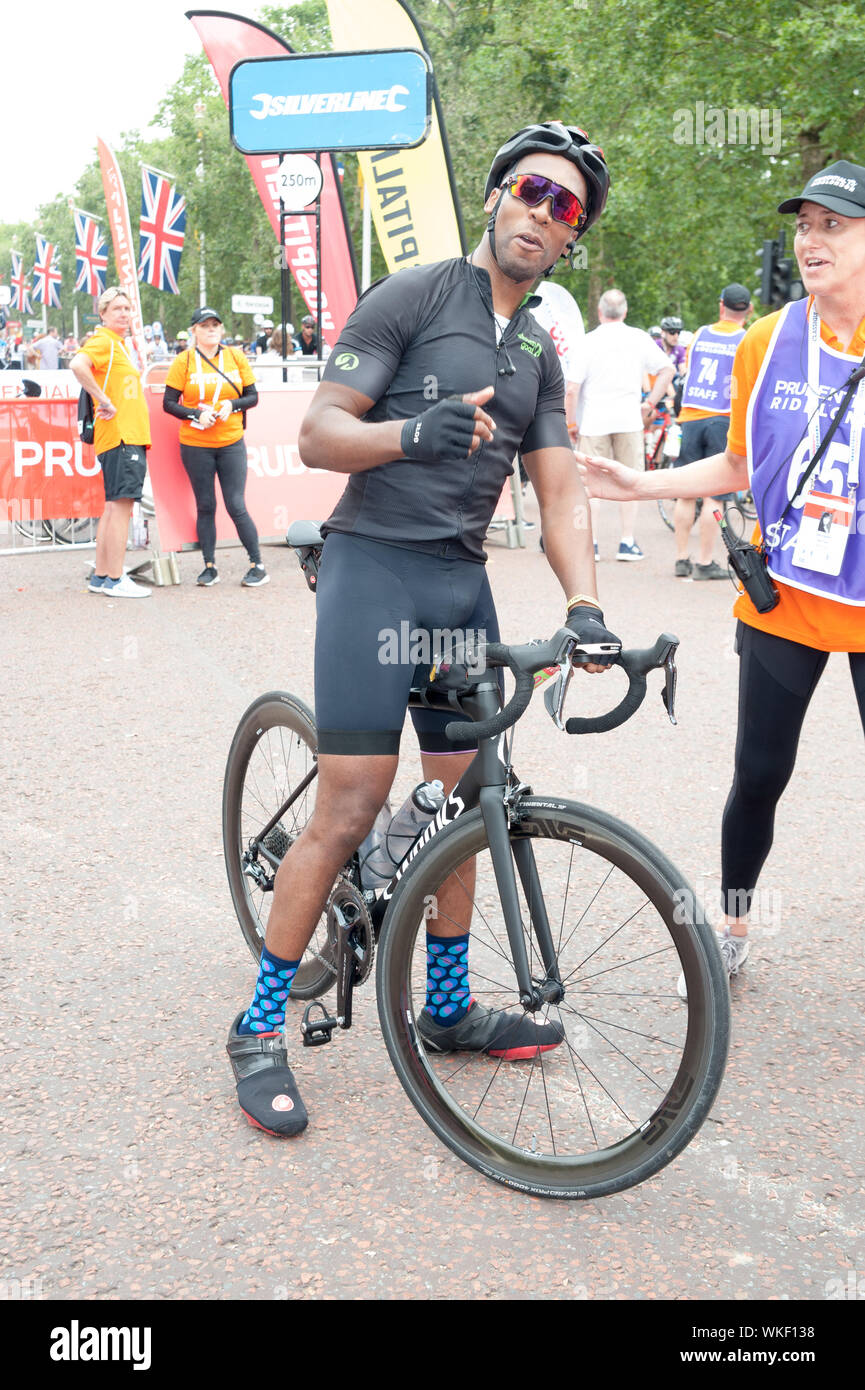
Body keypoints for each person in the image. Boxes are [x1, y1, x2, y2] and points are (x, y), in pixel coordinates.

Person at [226, 120, 620, 1137]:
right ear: (497, 195)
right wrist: (410, 433)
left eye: (565, 206)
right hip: (373, 570)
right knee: (353, 805)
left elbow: (560, 491)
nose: (543, 212)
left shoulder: (538, 348)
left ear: (574, 238)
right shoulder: (415, 293)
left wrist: (585, 606)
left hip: (456, 586)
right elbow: (318, 430)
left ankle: (444, 1008)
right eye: (532, 190)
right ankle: (259, 1025)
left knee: (457, 808)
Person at [578, 157, 865, 994]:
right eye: (803, 227)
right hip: (784, 601)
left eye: (833, 226)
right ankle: (733, 924)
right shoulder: (766, 342)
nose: (810, 241)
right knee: (758, 773)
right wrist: (640, 483)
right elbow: (737, 462)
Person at [162, 306, 266, 587]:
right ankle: (209, 566)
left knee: (235, 504)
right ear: (193, 331)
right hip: (196, 443)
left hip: (231, 441)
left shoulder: (235, 357)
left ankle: (257, 564)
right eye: (204, 325)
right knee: (205, 505)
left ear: (221, 330)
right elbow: (168, 403)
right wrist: (196, 414)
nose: (211, 330)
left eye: (215, 325)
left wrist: (231, 404)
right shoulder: (183, 361)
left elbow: (253, 397)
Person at [571, 288, 673, 561]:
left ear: (600, 312)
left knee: (590, 484)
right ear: (625, 312)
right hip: (629, 419)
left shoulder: (587, 341)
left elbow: (572, 388)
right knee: (631, 481)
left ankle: (590, 543)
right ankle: (627, 541)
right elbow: (667, 370)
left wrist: (570, 421)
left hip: (593, 420)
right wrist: (649, 403)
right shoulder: (638, 338)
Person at [70, 288, 152, 598]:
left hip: (121, 436)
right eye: (116, 308)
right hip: (122, 436)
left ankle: (102, 576)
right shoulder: (104, 341)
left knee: (112, 507)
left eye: (127, 308)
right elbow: (78, 365)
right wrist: (102, 398)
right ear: (103, 314)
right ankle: (116, 578)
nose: (123, 313)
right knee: (121, 507)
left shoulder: (119, 345)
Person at [672, 283, 752, 580]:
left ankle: (681, 558)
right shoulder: (746, 339)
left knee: (685, 492)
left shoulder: (699, 335)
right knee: (714, 496)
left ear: (721, 305)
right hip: (722, 418)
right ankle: (705, 562)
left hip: (691, 416)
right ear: (749, 310)